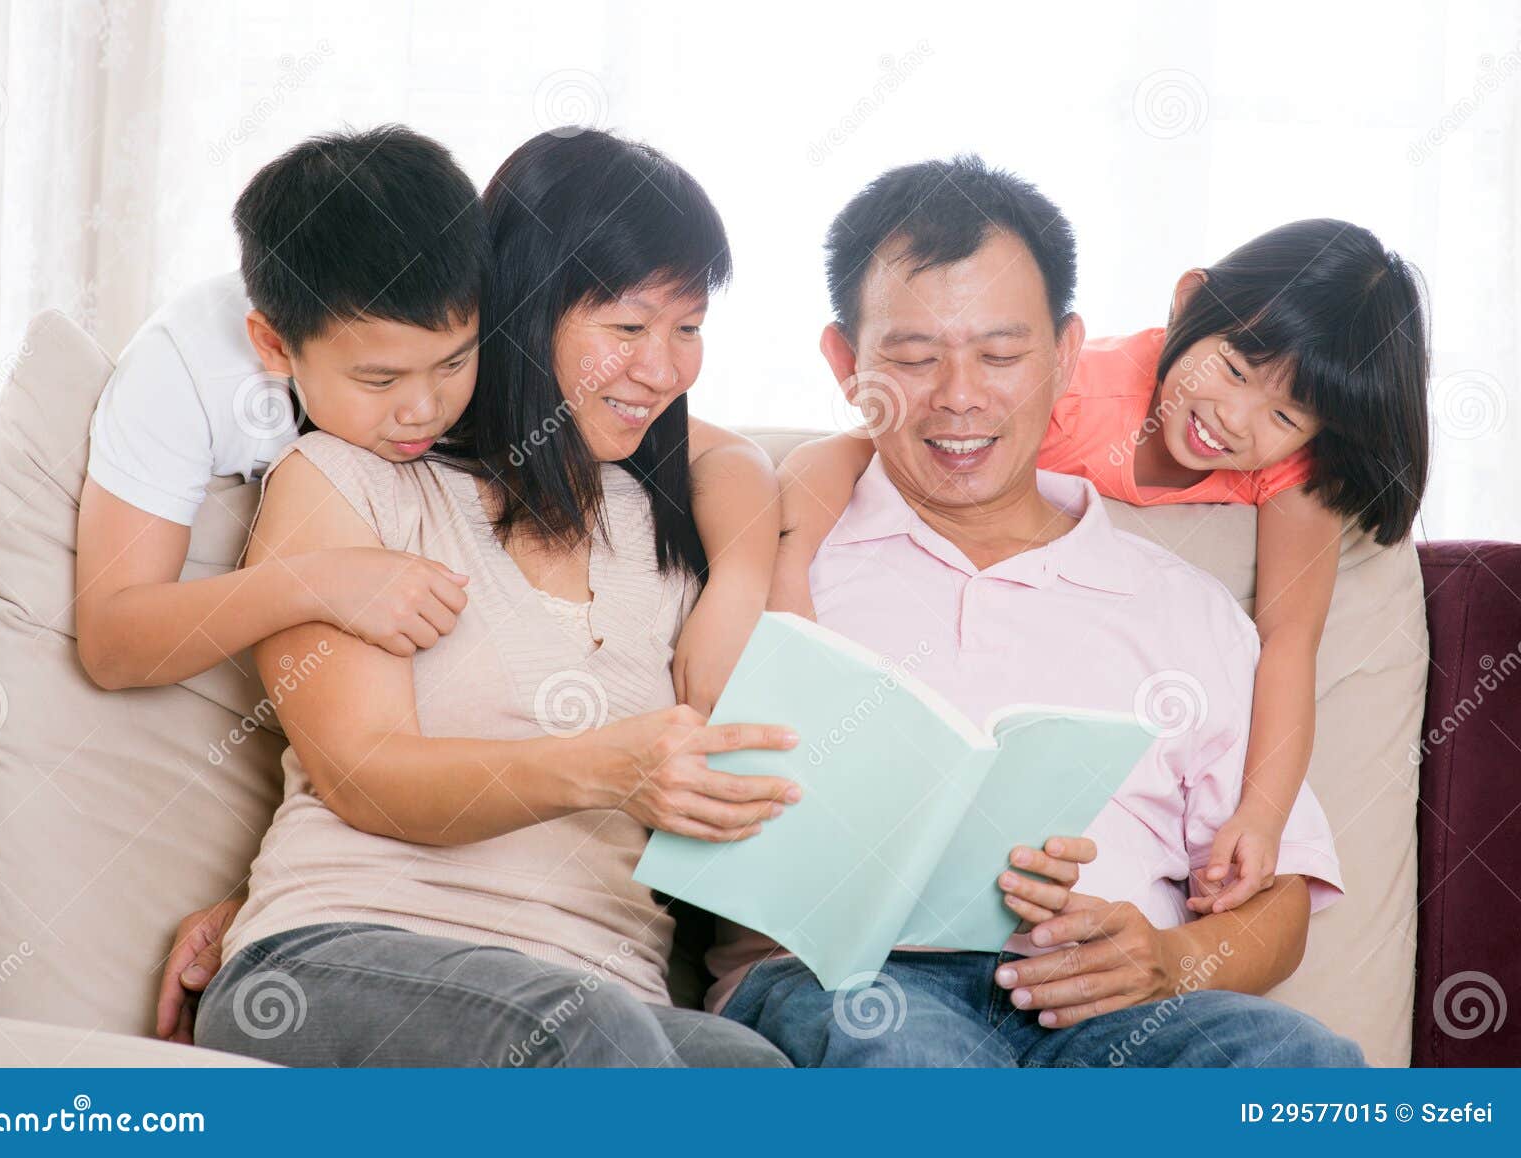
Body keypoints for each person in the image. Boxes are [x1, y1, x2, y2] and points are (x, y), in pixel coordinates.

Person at [175, 131, 1087, 1067]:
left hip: (607, 998)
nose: (663, 370)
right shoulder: (348, 478)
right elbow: (365, 774)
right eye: (626, 328)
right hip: (349, 952)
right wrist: (604, 767)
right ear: (523, 309)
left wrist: (982, 862)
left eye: (686, 329)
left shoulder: (669, 515)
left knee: (759, 1077)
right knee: (586, 1031)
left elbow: (759, 760)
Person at [706, 157, 1364, 1067]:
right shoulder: (777, 545)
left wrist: (1168, 960)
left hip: (1107, 1010)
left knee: (1305, 1070)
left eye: (1002, 355)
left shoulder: (1187, 609)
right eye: (912, 356)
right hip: (857, 983)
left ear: (1065, 353)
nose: (960, 396)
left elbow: (1279, 904)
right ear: (845, 363)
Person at [774, 211, 1429, 913]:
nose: (1238, 418)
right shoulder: (1071, 392)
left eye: (1286, 416)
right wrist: (783, 581)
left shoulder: (1293, 470)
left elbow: (1291, 642)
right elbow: (854, 451)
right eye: (1234, 370)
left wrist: (1260, 818)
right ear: (1187, 302)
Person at [75, 124, 782, 717]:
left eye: (452, 365)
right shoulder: (189, 372)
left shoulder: (488, 331)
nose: (423, 410)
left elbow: (723, 455)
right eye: (379, 379)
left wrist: (739, 589)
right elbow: (112, 641)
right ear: (274, 347)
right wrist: (316, 579)